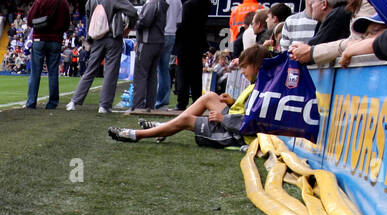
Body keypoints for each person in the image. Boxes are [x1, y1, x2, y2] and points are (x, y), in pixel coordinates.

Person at [107, 41, 267, 143]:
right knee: (210, 96)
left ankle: (137, 134)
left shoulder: (261, 90)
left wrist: (223, 119)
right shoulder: (258, 84)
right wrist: (232, 102)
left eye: (245, 67)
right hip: (232, 120)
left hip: (234, 134)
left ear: (258, 66)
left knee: (186, 120)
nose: (243, 71)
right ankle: (164, 127)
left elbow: (252, 123)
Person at [66, 0, 139, 114]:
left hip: (97, 38)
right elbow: (133, 12)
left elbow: (89, 19)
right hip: (113, 38)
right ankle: (104, 106)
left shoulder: (90, 1)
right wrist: (129, 27)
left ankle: (74, 101)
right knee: (111, 72)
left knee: (90, 70)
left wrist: (90, 38)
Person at [23, 0, 72, 108]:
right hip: (55, 40)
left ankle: (31, 102)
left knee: (35, 72)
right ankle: (52, 103)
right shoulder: (63, 3)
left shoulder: (40, 1)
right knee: (53, 72)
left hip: (39, 39)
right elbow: (67, 24)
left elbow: (30, 21)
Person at [131, 0, 169, 111]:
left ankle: (138, 105)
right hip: (158, 41)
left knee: (140, 74)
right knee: (152, 75)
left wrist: (135, 22)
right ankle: (150, 104)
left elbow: (145, 21)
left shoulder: (152, 3)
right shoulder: (162, 3)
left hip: (147, 42)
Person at [175, 0, 210, 109]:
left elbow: (182, 25)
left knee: (183, 75)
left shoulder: (188, 5)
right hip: (198, 44)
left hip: (185, 44)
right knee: (196, 76)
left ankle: (182, 102)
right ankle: (197, 102)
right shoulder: (205, 4)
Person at [155, 0, 182, 108]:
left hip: (159, 33)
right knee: (164, 69)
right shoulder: (178, 1)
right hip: (171, 34)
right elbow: (179, 20)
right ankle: (163, 102)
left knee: (154, 69)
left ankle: (152, 99)